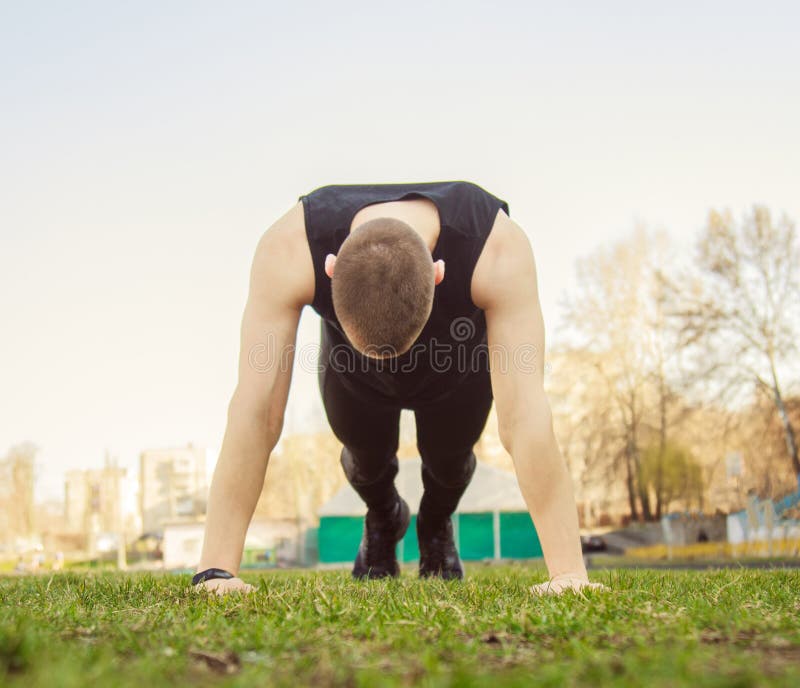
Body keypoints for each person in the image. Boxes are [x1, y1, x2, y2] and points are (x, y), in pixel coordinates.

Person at [193, 181, 604, 596]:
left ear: (439, 271)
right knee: (365, 464)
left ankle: (434, 523)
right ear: (330, 268)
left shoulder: (497, 250)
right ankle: (384, 517)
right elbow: (255, 409)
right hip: (352, 372)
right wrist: (215, 571)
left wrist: (569, 574)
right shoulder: (290, 248)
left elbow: (526, 417)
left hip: (456, 369)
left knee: (449, 465)